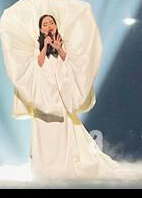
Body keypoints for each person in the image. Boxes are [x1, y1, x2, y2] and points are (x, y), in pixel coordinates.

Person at [19, 14, 117, 180]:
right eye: (45, 24)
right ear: (41, 29)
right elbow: (38, 65)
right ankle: (44, 168)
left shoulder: (63, 44)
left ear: (56, 26)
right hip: (43, 98)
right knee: (44, 132)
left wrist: (59, 49)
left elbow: (72, 65)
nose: (49, 26)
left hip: (60, 95)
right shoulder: (36, 47)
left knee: (63, 131)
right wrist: (45, 47)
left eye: (51, 23)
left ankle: (63, 166)